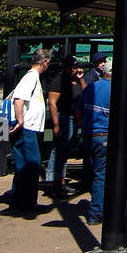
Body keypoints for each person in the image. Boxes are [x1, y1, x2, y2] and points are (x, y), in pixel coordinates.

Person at [7, 48, 50, 212]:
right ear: (44, 62)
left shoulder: (32, 77)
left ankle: (18, 200)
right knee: (32, 164)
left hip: (28, 128)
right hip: (27, 129)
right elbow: (19, 99)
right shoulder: (31, 77)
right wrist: (20, 120)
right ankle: (28, 202)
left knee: (23, 165)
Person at [77, 57, 111, 225]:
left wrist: (83, 126)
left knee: (94, 172)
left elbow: (79, 111)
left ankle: (99, 206)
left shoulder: (90, 87)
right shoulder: (115, 89)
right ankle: (96, 213)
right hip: (104, 135)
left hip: (88, 135)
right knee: (101, 176)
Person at [45, 58, 84, 200]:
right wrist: (56, 124)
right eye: (71, 67)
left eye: (75, 67)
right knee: (58, 151)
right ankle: (53, 184)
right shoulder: (59, 80)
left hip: (73, 118)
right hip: (63, 118)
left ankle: (61, 182)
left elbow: (86, 93)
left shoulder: (75, 80)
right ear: (65, 67)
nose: (73, 70)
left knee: (64, 151)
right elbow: (52, 103)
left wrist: (81, 79)